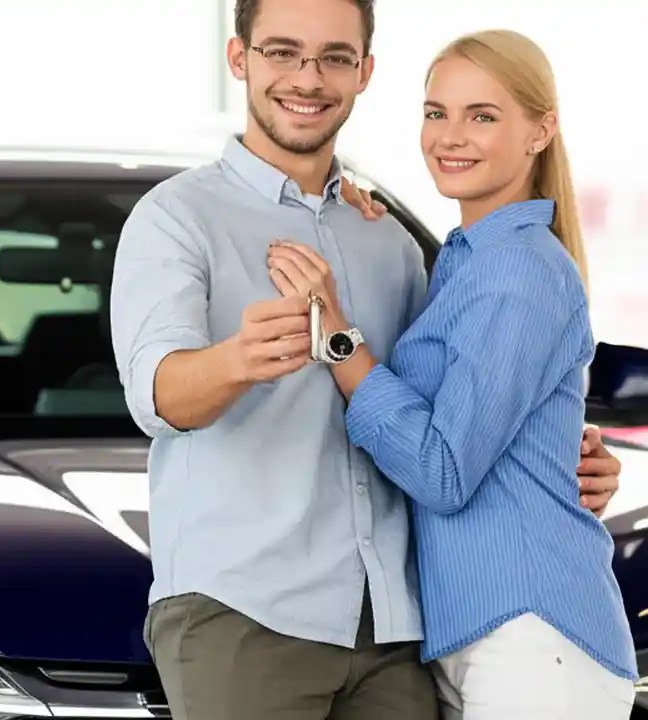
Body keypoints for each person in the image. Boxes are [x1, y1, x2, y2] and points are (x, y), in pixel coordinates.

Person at [108, 0, 626, 717]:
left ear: (364, 73)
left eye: (335, 58)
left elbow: (449, 416)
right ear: (240, 60)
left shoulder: (391, 241)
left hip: (398, 626)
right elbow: (156, 394)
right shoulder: (176, 217)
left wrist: (555, 448)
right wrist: (236, 360)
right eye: (283, 52)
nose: (307, 78)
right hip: (249, 610)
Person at [270, 29, 636, 718]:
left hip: (532, 636)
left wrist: (340, 341)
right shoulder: (464, 264)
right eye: (437, 112)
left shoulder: (518, 273)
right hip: (477, 633)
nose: (450, 136)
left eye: (483, 115)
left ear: (541, 130)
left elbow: (442, 468)